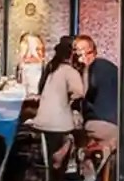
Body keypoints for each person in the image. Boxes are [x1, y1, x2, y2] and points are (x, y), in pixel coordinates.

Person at [27, 40, 86, 168]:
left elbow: (41, 89)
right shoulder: (70, 71)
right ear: (72, 54)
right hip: (59, 123)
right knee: (82, 130)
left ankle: (56, 159)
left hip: (42, 119)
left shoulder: (51, 68)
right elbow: (80, 93)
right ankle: (63, 153)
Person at [74, 35, 119, 181]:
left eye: (87, 53)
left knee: (76, 134)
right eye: (79, 54)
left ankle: (89, 162)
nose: (84, 58)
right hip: (120, 125)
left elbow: (84, 95)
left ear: (95, 52)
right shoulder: (111, 67)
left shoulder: (87, 71)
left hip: (99, 124)